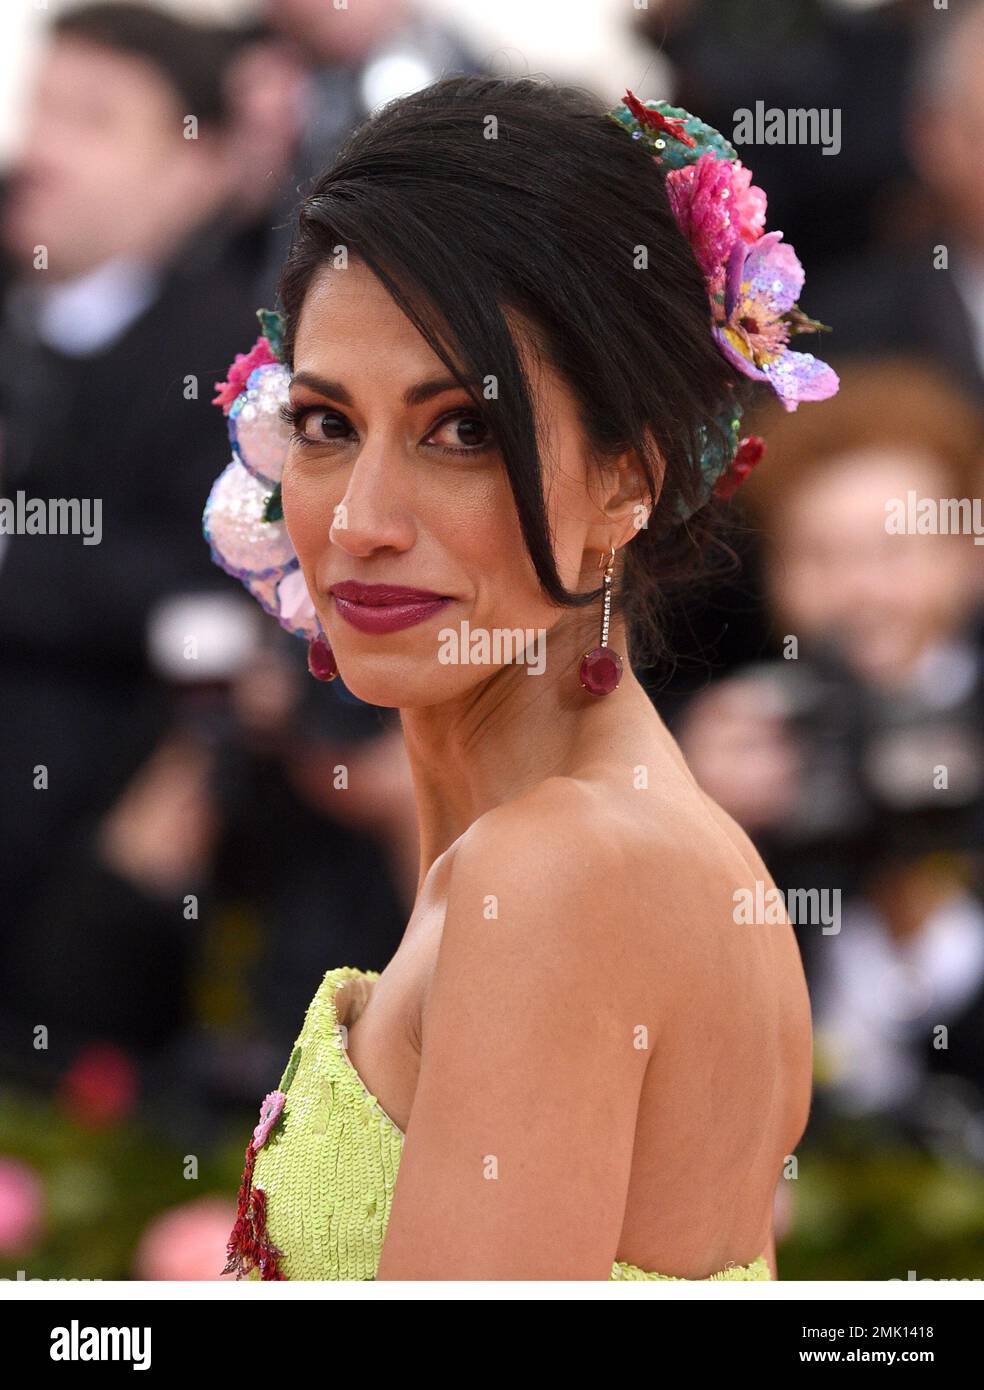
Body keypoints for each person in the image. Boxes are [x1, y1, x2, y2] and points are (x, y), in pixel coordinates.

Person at [208, 76, 838, 1282]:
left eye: (464, 431)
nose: (364, 519)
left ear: (625, 479)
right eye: (328, 424)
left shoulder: (563, 874)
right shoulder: (593, 845)